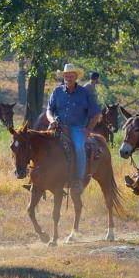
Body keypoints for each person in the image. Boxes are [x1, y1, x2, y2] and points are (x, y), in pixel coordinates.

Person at [45, 63, 101, 193]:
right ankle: (38, 178)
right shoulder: (57, 91)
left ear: (76, 77)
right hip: (58, 126)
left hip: (77, 128)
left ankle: (78, 180)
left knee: (79, 147)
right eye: (66, 76)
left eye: (71, 76)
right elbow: (49, 110)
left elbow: (96, 113)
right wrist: (52, 120)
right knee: (43, 143)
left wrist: (88, 129)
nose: (68, 78)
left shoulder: (84, 93)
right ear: (63, 77)